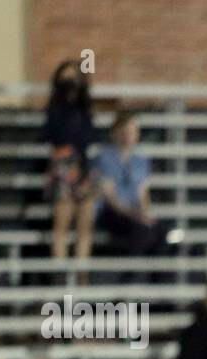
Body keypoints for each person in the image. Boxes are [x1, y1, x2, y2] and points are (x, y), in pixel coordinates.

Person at [43, 60, 97, 264]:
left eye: (73, 78)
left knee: (85, 224)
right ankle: (60, 276)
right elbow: (52, 134)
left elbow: (89, 136)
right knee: (62, 224)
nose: (69, 83)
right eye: (65, 79)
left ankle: (82, 275)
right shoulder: (55, 109)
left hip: (83, 165)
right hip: (64, 165)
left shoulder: (84, 108)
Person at [95, 111, 169, 256]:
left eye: (134, 131)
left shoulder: (141, 160)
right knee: (139, 230)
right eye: (126, 131)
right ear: (116, 132)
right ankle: (131, 274)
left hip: (134, 213)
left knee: (160, 231)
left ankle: (156, 277)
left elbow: (143, 195)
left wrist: (146, 214)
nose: (130, 135)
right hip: (112, 213)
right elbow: (111, 199)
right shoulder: (105, 157)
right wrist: (135, 215)